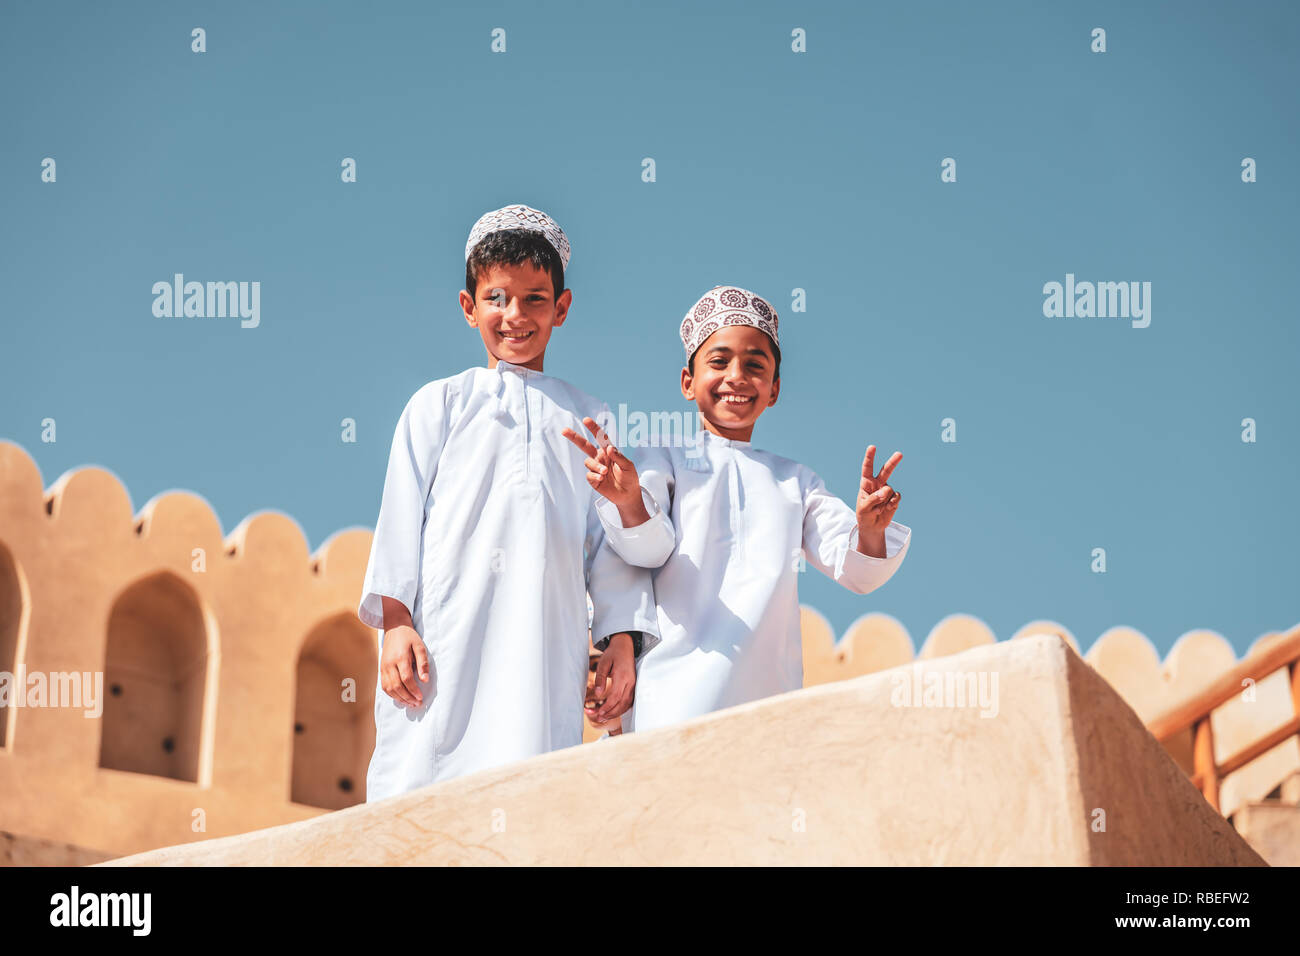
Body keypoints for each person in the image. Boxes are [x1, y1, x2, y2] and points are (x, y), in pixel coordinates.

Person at [357, 204, 660, 799]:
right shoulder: (438, 404)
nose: (514, 315)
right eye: (496, 298)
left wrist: (619, 641)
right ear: (469, 307)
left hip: (547, 641)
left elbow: (607, 551)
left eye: (534, 299)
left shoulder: (589, 417)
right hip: (445, 634)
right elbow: (399, 519)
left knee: (530, 789)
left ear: (562, 308)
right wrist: (395, 624)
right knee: (426, 786)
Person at [564, 285, 911, 733]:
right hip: (671, 693)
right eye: (719, 361)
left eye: (754, 365)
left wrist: (869, 528)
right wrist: (629, 500)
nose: (737, 376)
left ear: (775, 389)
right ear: (688, 382)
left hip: (767, 698)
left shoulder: (795, 482)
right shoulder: (661, 459)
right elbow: (642, 552)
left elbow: (856, 567)